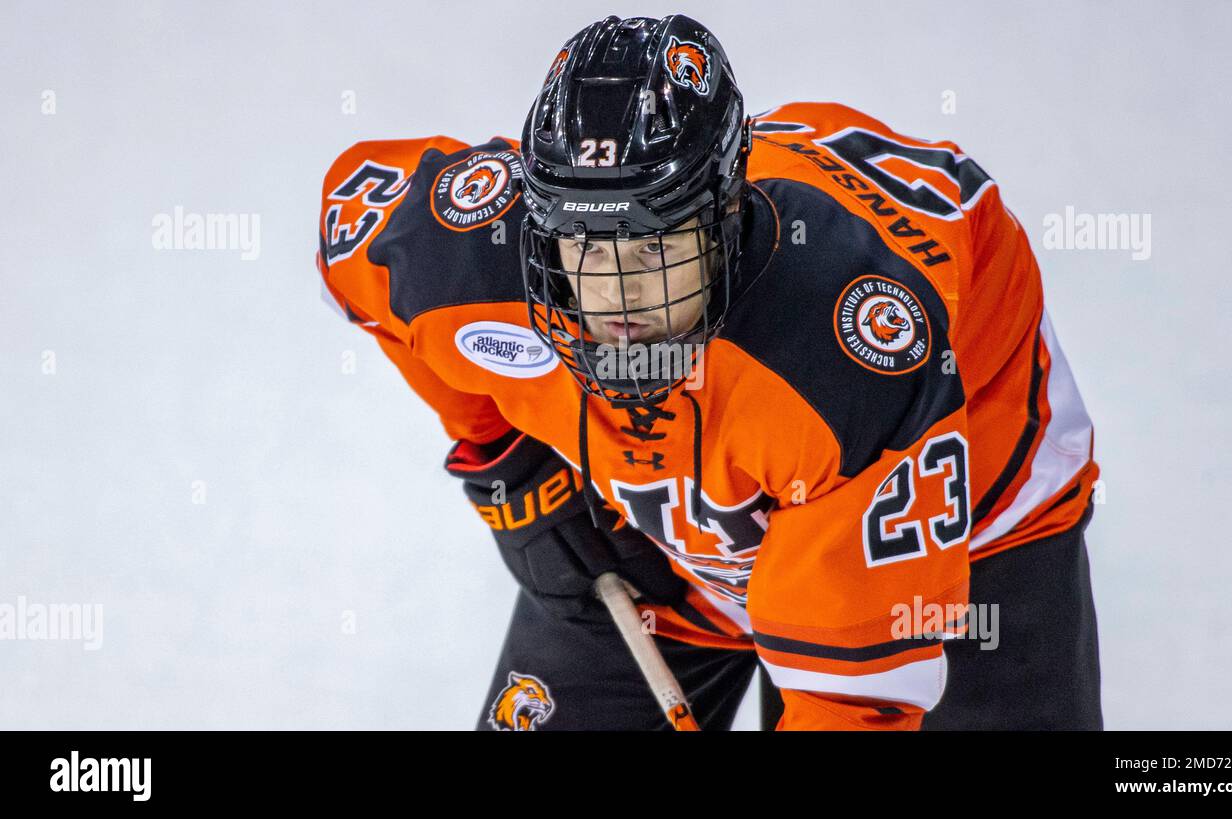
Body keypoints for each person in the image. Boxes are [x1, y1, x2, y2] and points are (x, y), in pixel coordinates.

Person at [315, 13, 1103, 730]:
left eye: (655, 247)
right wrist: (508, 464)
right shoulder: (462, 249)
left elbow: (850, 706)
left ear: (725, 219)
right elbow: (350, 250)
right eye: (585, 247)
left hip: (971, 513)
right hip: (666, 540)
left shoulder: (845, 354)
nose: (615, 298)